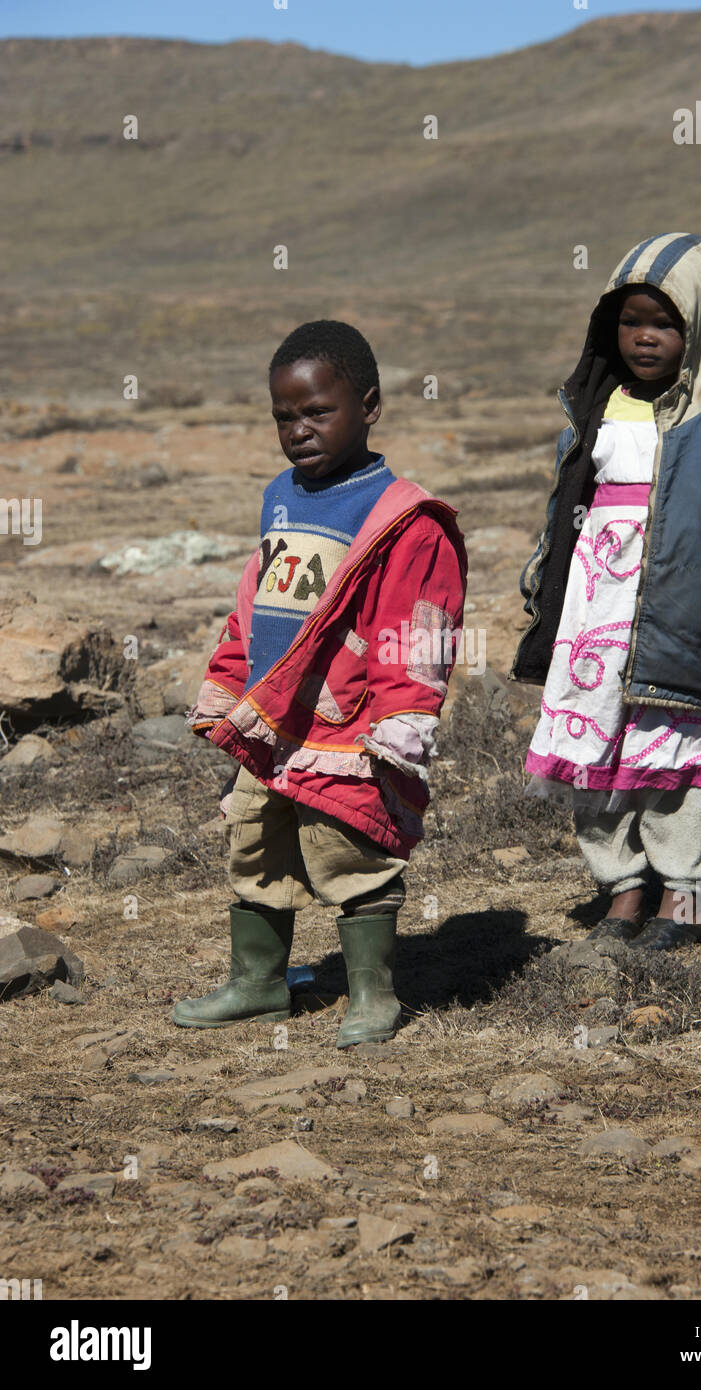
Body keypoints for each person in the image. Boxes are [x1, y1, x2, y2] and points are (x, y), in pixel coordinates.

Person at [173, 320, 467, 1042]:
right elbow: (255, 598)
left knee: (349, 852)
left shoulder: (401, 518)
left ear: (367, 405)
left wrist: (402, 719)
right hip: (269, 717)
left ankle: (372, 995)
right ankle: (257, 982)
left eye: (316, 411)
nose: (298, 430)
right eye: (283, 416)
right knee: (254, 845)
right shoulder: (280, 494)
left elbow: (416, 629)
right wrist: (228, 679)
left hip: (346, 727)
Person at [510, 233, 701, 950]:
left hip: (680, 616)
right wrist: (545, 573)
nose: (643, 337)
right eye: (630, 320)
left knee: (673, 752)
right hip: (595, 614)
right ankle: (622, 889)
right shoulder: (598, 407)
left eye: (664, 323)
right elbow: (567, 500)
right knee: (595, 744)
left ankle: (683, 897)